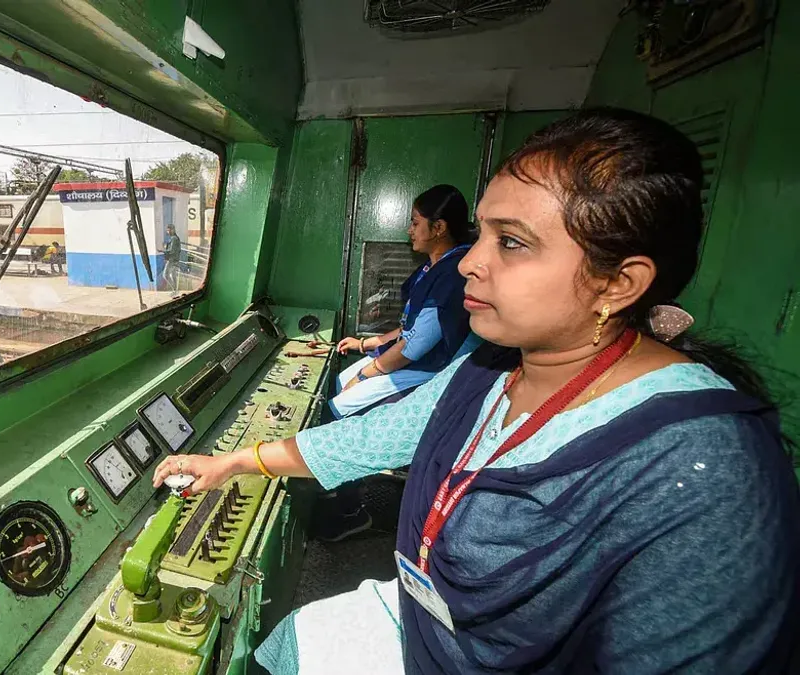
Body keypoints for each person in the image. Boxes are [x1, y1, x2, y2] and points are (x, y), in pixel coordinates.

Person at [154, 109, 800, 674]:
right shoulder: (493, 365)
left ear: (618, 284)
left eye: (511, 242)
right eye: (483, 232)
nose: (469, 261)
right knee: (295, 634)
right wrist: (236, 460)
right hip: (434, 622)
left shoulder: (708, 470)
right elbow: (377, 435)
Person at [332, 185, 479, 420]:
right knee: (339, 383)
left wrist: (363, 376)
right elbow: (411, 326)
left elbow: (415, 344)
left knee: (339, 407)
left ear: (439, 228)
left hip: (431, 369)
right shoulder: (433, 267)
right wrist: (364, 344)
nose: (409, 230)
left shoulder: (453, 274)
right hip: (413, 358)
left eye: (415, 223)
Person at [162, 224, 182, 293]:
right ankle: (175, 290)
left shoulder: (174, 238)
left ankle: (174, 289)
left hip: (172, 259)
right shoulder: (175, 238)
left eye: (169, 230)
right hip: (175, 259)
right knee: (173, 274)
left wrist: (163, 251)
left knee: (165, 274)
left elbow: (172, 250)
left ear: (173, 230)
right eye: (167, 230)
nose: (168, 232)